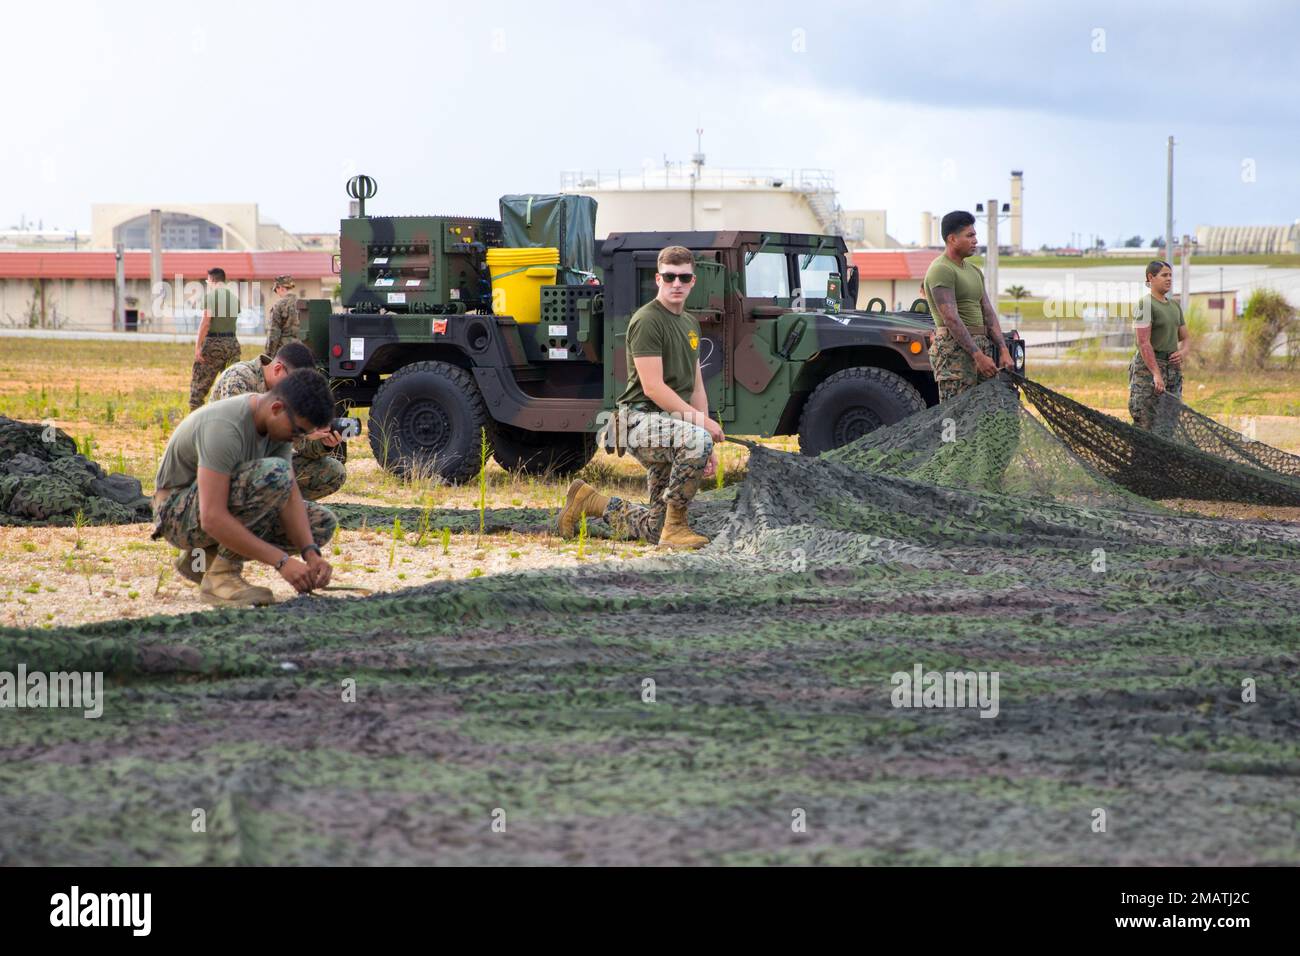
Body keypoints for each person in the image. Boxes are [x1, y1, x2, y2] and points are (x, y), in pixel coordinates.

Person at [559, 245, 721, 550]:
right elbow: (653, 388)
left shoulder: (690, 323)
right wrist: (702, 431)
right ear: (657, 278)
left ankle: (589, 501)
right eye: (670, 276)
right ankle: (677, 530)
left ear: (692, 281)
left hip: (671, 427)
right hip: (639, 421)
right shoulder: (647, 320)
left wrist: (706, 433)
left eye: (683, 278)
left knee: (652, 530)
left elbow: (697, 384)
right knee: (696, 441)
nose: (677, 284)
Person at [152, 368, 338, 607]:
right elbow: (211, 517)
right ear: (277, 408)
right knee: (275, 475)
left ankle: (202, 561)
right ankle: (220, 579)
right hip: (175, 516)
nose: (297, 439)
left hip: (203, 510)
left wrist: (311, 554)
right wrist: (282, 562)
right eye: (297, 432)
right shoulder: (224, 426)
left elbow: (290, 497)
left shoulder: (275, 429)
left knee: (320, 523)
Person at [210, 342, 347, 500]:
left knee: (333, 471)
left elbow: (300, 446)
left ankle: (275, 505)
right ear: (278, 369)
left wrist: (322, 442)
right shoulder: (239, 378)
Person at [923, 211, 1015, 401]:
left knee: (984, 414)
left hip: (981, 345)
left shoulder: (973, 271)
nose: (975, 240)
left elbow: (988, 313)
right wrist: (977, 356)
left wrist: (1003, 349)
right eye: (970, 235)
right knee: (957, 416)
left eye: (975, 235)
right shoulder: (942, 269)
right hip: (954, 350)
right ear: (952, 239)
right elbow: (951, 318)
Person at [1128, 259, 1188, 429]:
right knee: (1145, 420)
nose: (1168, 279)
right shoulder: (1145, 304)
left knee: (1168, 423)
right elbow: (1143, 342)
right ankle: (1140, 456)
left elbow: (1186, 339)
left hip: (1172, 370)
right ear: (1151, 278)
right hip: (1149, 370)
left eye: (1170, 275)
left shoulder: (1174, 306)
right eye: (1164, 275)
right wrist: (1156, 374)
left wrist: (1182, 353)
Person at [189, 267, 242, 411]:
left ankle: (195, 423)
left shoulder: (211, 297)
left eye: (208, 281)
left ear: (212, 280)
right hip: (232, 345)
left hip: (214, 345)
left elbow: (206, 322)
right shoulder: (234, 299)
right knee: (232, 387)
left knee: (198, 389)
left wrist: (198, 346)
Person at [265, 275, 301, 357]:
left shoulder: (279, 305)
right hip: (300, 349)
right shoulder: (302, 303)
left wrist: (269, 355)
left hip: (283, 352)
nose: (278, 294)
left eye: (276, 290)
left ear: (281, 288)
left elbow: (274, 333)